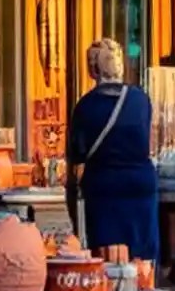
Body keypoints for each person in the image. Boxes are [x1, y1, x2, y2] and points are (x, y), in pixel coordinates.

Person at [67, 38, 159, 261]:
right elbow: (148, 141)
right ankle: (144, 289)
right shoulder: (141, 100)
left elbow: (77, 154)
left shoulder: (86, 106)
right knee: (142, 254)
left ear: (94, 69)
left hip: (104, 187)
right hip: (140, 184)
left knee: (106, 254)